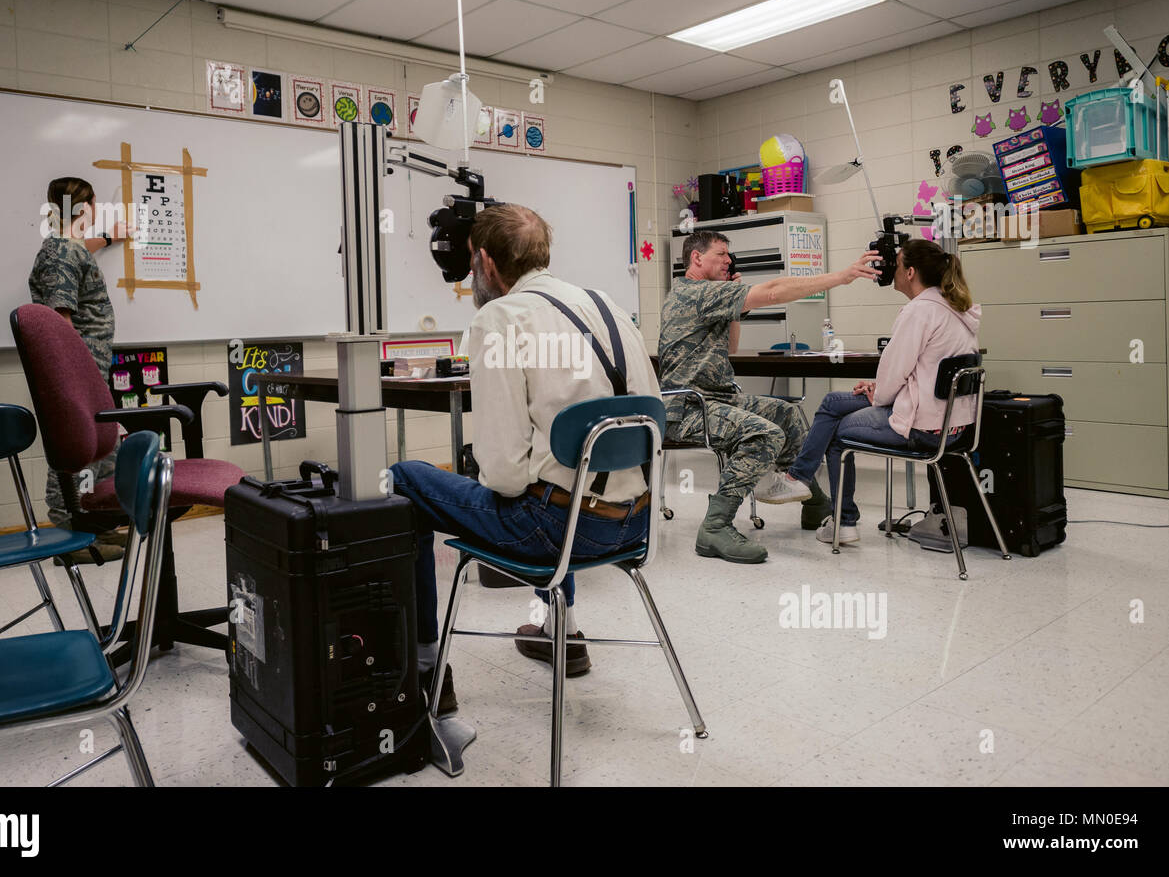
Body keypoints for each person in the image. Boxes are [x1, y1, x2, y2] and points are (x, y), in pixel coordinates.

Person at [389, 204, 658, 710]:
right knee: (562, 477)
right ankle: (563, 629)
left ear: (486, 263)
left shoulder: (499, 319)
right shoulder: (608, 305)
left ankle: (424, 669)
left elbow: (505, 477)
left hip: (556, 533)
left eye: (471, 265)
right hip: (637, 525)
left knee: (405, 478)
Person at [659, 230, 880, 564]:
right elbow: (775, 291)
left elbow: (731, 348)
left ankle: (814, 501)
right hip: (688, 408)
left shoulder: (707, 294)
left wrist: (734, 300)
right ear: (696, 258)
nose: (728, 260)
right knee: (764, 433)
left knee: (786, 414)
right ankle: (715, 527)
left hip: (717, 399)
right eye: (721, 254)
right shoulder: (695, 292)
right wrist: (842, 276)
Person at [777, 239, 980, 544]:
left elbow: (893, 372)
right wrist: (880, 390)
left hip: (925, 427)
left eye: (896, 265)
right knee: (833, 402)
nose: (891, 271)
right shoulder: (956, 309)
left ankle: (841, 521)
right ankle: (798, 478)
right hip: (954, 426)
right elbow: (915, 372)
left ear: (910, 272)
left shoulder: (919, 311)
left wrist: (879, 393)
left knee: (834, 433)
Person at [28, 176, 127, 538]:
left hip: (88, 368)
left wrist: (109, 238)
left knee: (100, 443)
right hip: (79, 369)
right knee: (76, 445)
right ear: (86, 208)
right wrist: (75, 380)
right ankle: (71, 528)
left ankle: (93, 523)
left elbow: (77, 256)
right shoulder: (60, 251)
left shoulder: (68, 248)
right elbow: (61, 321)